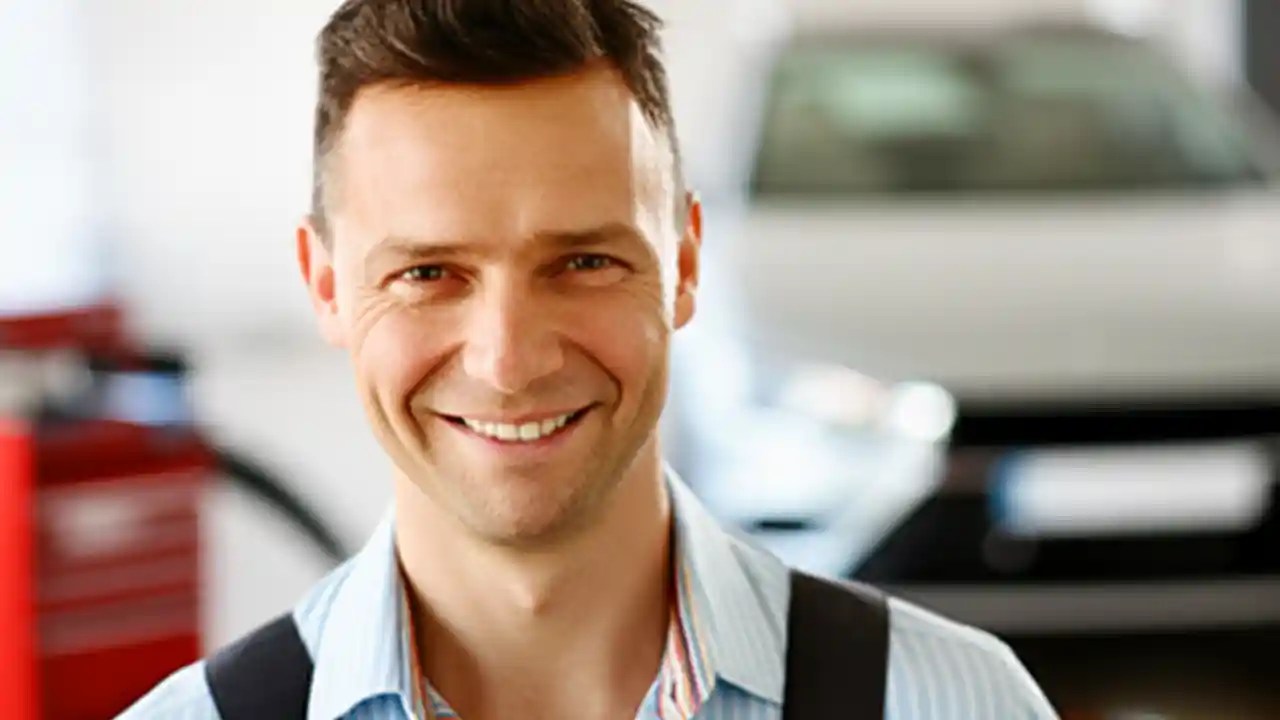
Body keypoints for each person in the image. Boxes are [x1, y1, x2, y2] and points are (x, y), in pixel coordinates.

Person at [121, 1, 1059, 718]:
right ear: (326, 284)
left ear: (685, 264)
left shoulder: (949, 701)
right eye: (428, 272)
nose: (508, 361)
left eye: (582, 262)